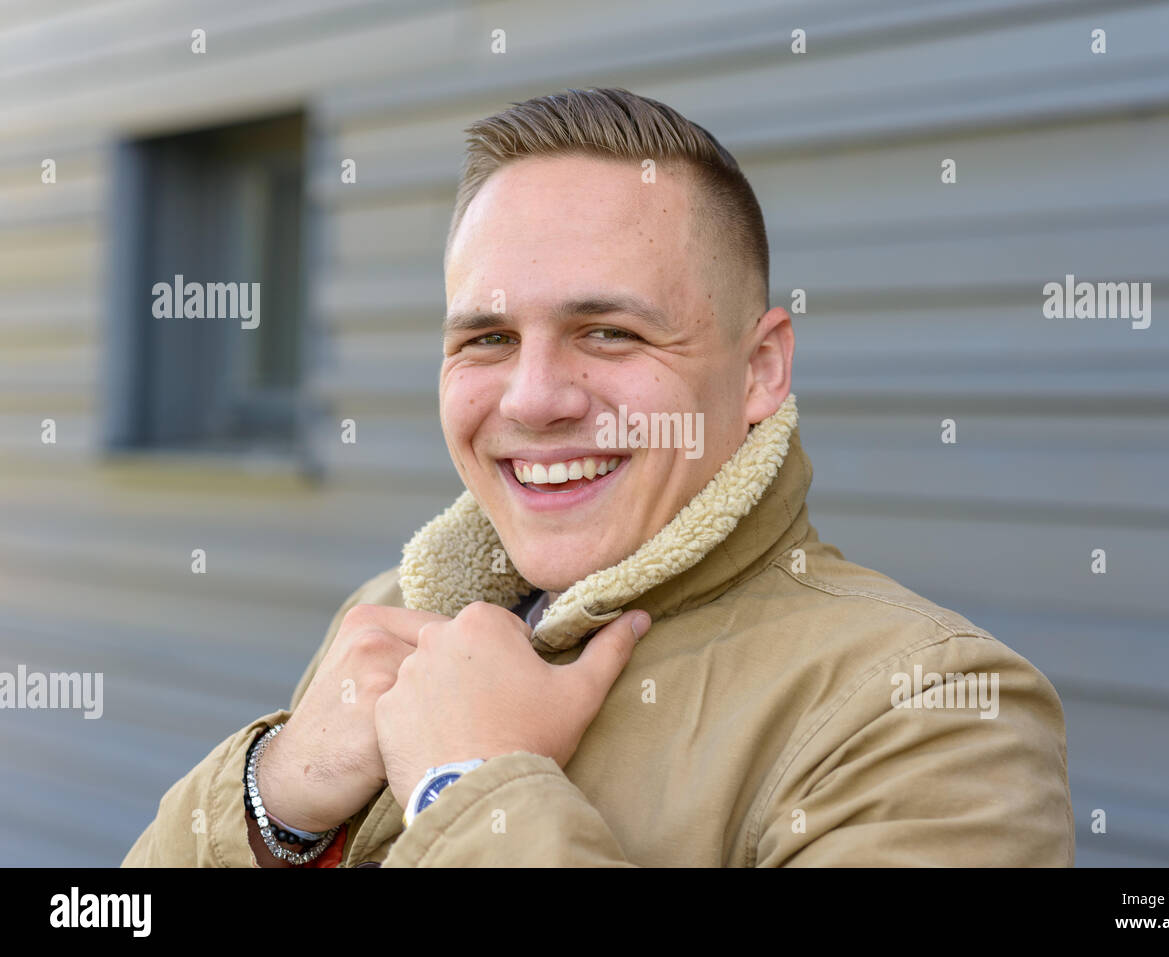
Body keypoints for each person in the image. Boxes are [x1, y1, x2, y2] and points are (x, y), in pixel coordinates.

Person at [123, 87, 1074, 868]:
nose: (535, 399)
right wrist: (270, 806)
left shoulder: (927, 708)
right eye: (488, 338)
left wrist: (468, 788)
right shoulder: (394, 620)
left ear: (760, 371)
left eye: (609, 333)